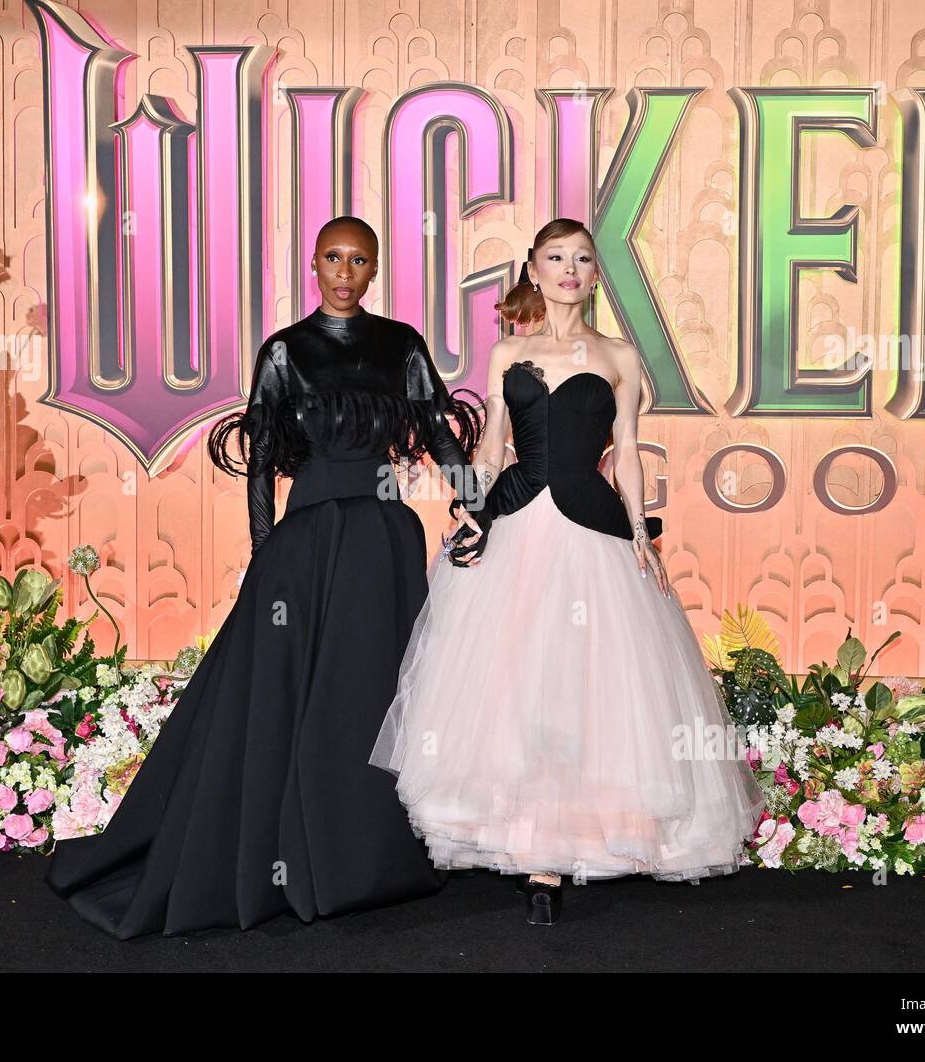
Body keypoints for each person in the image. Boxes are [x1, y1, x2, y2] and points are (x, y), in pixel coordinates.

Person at [46, 216, 492, 936]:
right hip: (307, 542)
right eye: (333, 258)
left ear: (375, 270)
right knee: (292, 694)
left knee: (373, 693)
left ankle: (370, 858)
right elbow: (260, 464)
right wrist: (265, 554)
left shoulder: (401, 345)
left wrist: (476, 507)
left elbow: (440, 436)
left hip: (383, 541)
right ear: (314, 264)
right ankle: (292, 858)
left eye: (359, 260)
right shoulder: (286, 350)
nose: (345, 272)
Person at [370, 218, 766, 925]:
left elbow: (629, 451)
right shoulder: (508, 352)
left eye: (582, 258)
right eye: (556, 257)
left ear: (594, 274)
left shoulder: (619, 355)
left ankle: (580, 839)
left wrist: (640, 532)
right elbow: (492, 448)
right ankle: (537, 858)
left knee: (593, 689)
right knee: (517, 688)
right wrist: (472, 509)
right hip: (518, 528)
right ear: (534, 268)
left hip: (593, 532)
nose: (570, 269)